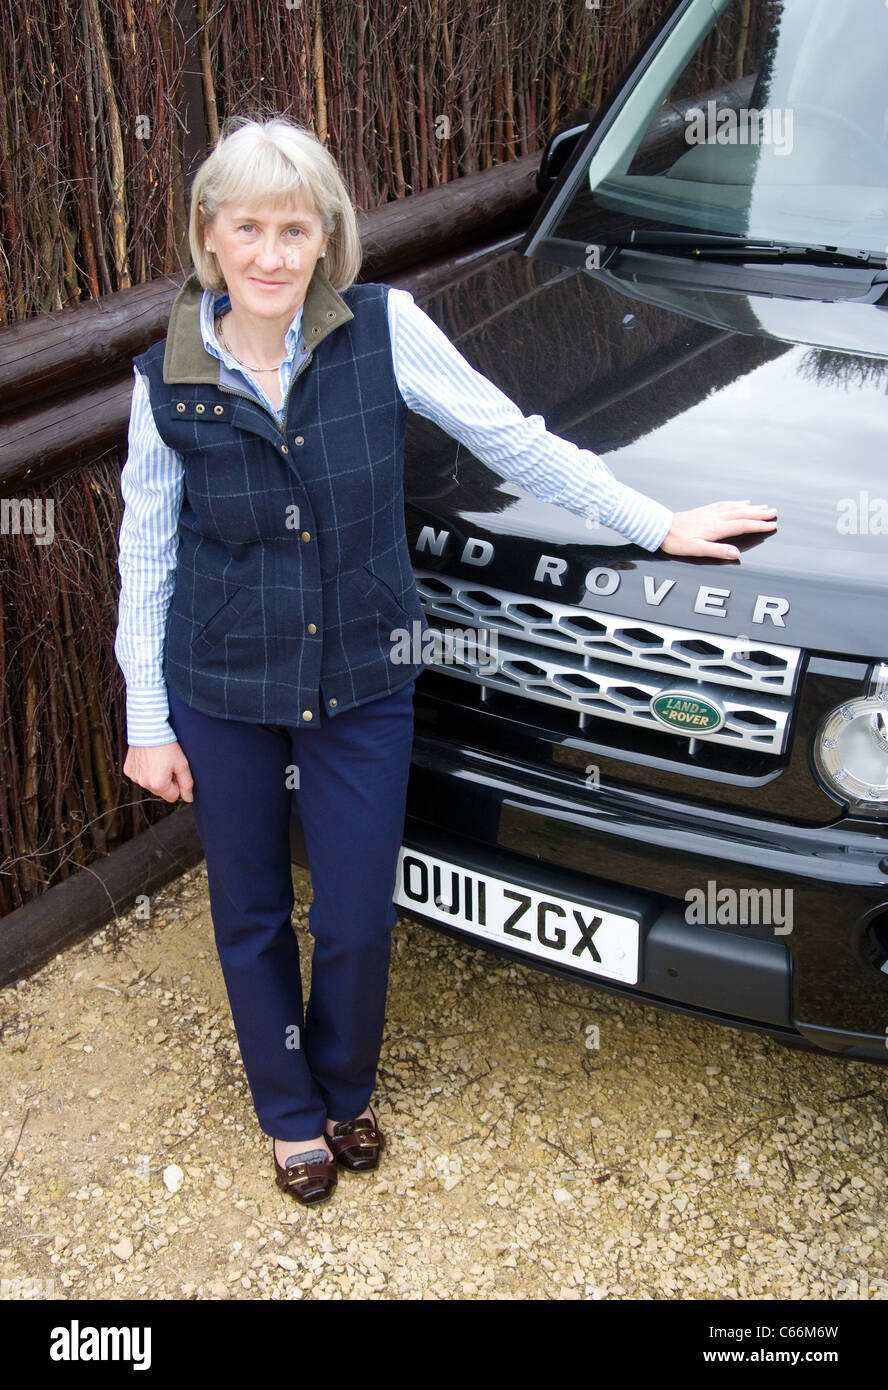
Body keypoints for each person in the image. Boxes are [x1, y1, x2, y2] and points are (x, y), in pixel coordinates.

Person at [114, 113, 777, 1207]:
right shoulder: (167, 379)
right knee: (248, 907)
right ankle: (290, 1113)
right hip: (224, 689)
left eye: (296, 229)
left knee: (360, 912)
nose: (274, 254)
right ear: (210, 236)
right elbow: (146, 552)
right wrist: (148, 716)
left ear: (326, 238)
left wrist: (654, 522)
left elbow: (508, 436)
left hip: (363, 682)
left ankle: (345, 1081)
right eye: (250, 229)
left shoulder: (385, 329)